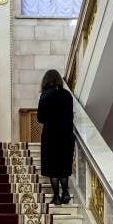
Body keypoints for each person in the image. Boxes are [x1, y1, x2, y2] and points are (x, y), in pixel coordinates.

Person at [37, 69, 74, 204]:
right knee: (64, 166)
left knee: (53, 167)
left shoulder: (46, 95)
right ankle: (65, 193)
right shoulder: (67, 95)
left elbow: (40, 118)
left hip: (51, 135)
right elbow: (71, 116)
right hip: (66, 135)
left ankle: (56, 197)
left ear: (46, 80)